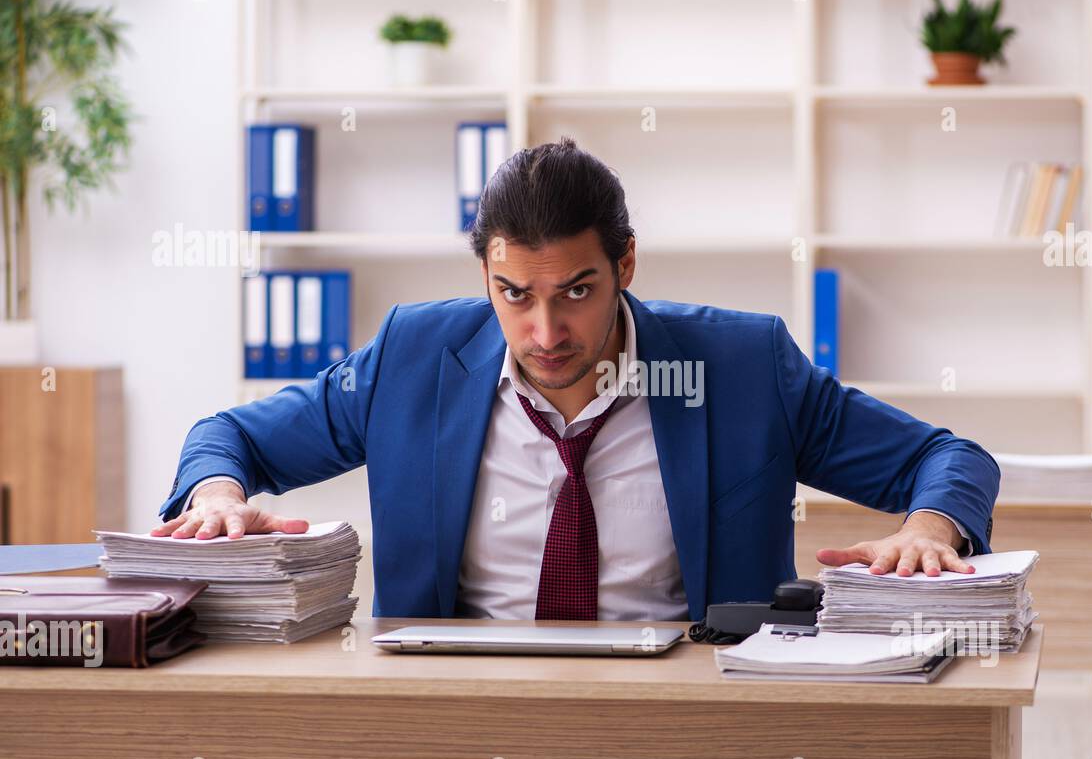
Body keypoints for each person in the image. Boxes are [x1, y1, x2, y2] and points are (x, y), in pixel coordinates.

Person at [154, 137, 999, 620]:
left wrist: (928, 527)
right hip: (457, 711)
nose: (545, 330)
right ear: (482, 272)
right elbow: (226, 437)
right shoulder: (416, 358)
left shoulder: (736, 368)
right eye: (513, 294)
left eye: (577, 292)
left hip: (686, 714)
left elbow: (950, 457)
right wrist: (218, 495)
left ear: (625, 263)